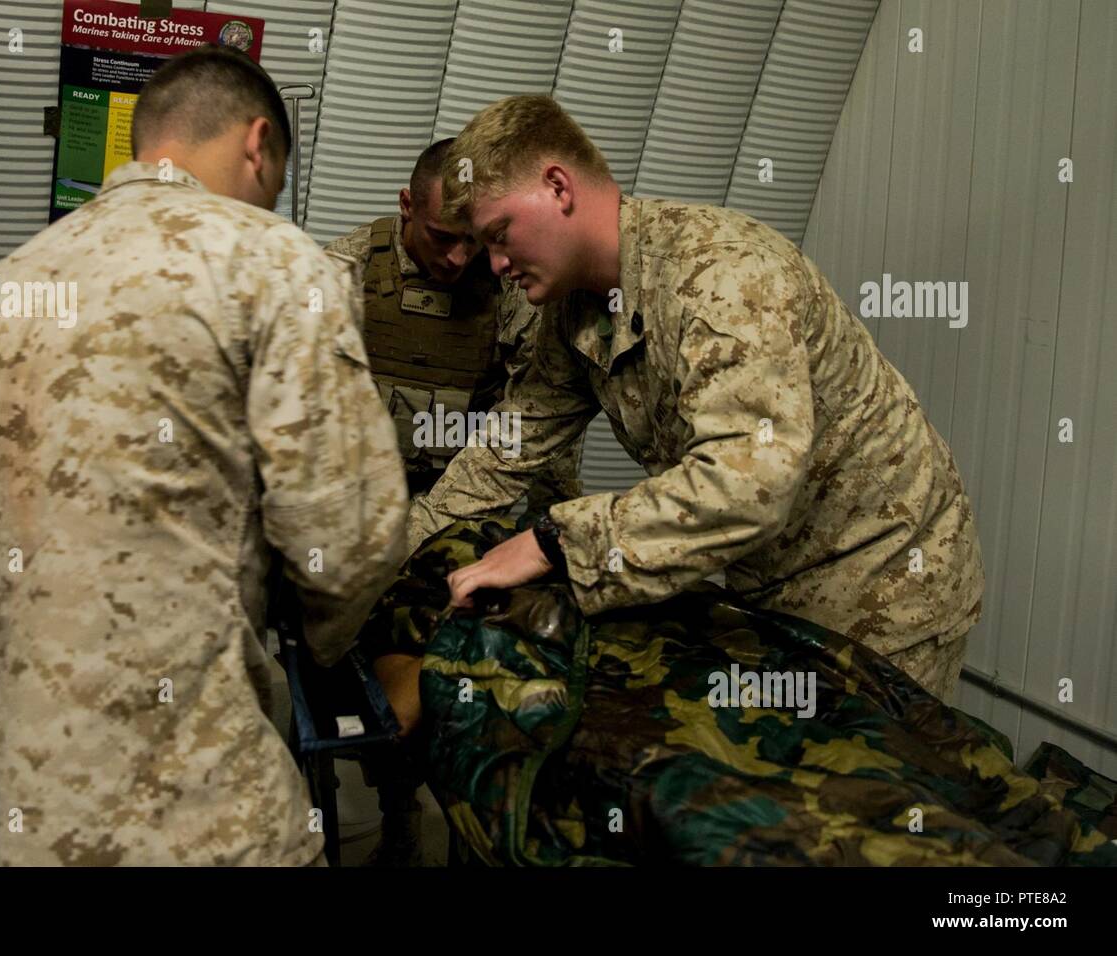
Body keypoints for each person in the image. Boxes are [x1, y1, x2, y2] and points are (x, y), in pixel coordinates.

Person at [0, 45, 406, 866]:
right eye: (275, 179)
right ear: (258, 145)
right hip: (187, 799)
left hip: (1, 784)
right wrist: (314, 647)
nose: (270, 199)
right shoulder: (277, 261)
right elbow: (349, 541)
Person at [405, 94, 985, 703]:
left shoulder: (721, 276)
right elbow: (514, 440)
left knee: (862, 788)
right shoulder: (574, 308)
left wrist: (554, 542)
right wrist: (405, 544)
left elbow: (746, 484)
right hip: (770, 580)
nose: (494, 265)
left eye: (499, 235)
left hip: (886, 584)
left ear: (557, 186)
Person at [325, 138, 583, 866]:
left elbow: (538, 429)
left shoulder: (506, 287)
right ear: (407, 206)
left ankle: (455, 822)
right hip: (361, 524)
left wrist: (560, 540)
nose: (460, 261)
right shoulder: (340, 277)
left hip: (459, 518)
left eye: (474, 242)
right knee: (371, 683)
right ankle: (389, 807)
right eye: (443, 239)